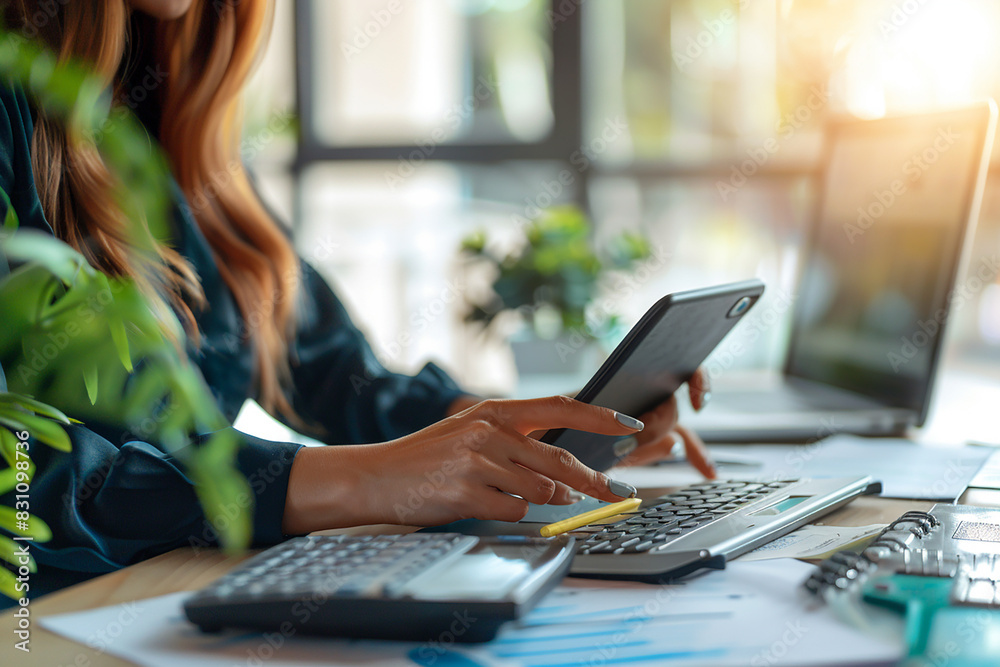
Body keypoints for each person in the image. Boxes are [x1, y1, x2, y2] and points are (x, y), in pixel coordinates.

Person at [0, 0, 714, 599]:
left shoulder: (163, 110)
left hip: (175, 594)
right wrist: (350, 481)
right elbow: (21, 478)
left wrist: (530, 430)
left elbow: (327, 370)